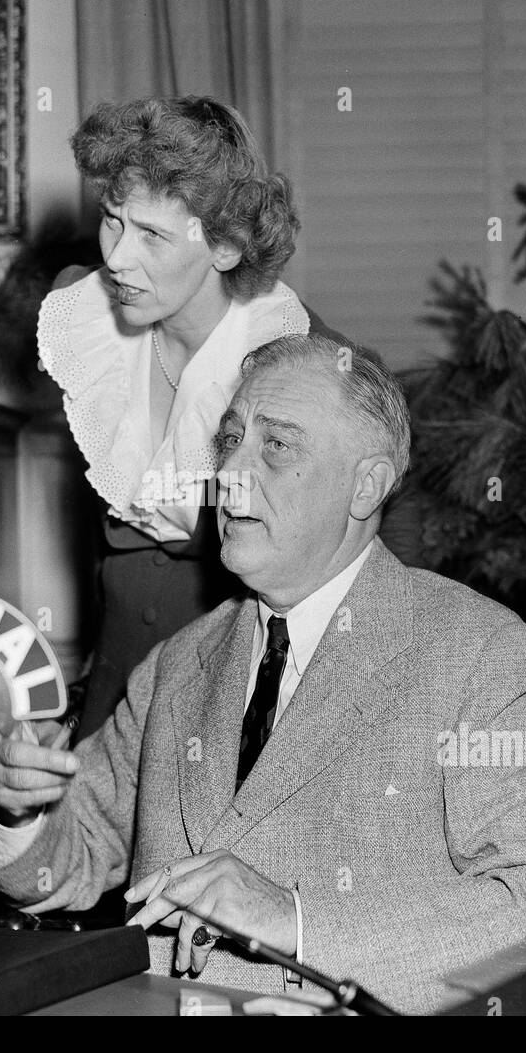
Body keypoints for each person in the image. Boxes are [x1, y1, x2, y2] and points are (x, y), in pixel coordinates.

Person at [0, 333, 526, 1014]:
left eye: (276, 446)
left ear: (367, 483)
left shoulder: (481, 656)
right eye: (230, 440)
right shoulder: (179, 664)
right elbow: (71, 856)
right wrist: (17, 807)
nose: (232, 474)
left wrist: (299, 921)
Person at [40, 95, 343, 740]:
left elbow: (368, 559)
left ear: (227, 247)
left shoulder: (300, 363)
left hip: (239, 706)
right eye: (113, 221)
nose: (117, 257)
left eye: (152, 234)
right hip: (114, 703)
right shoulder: (88, 325)